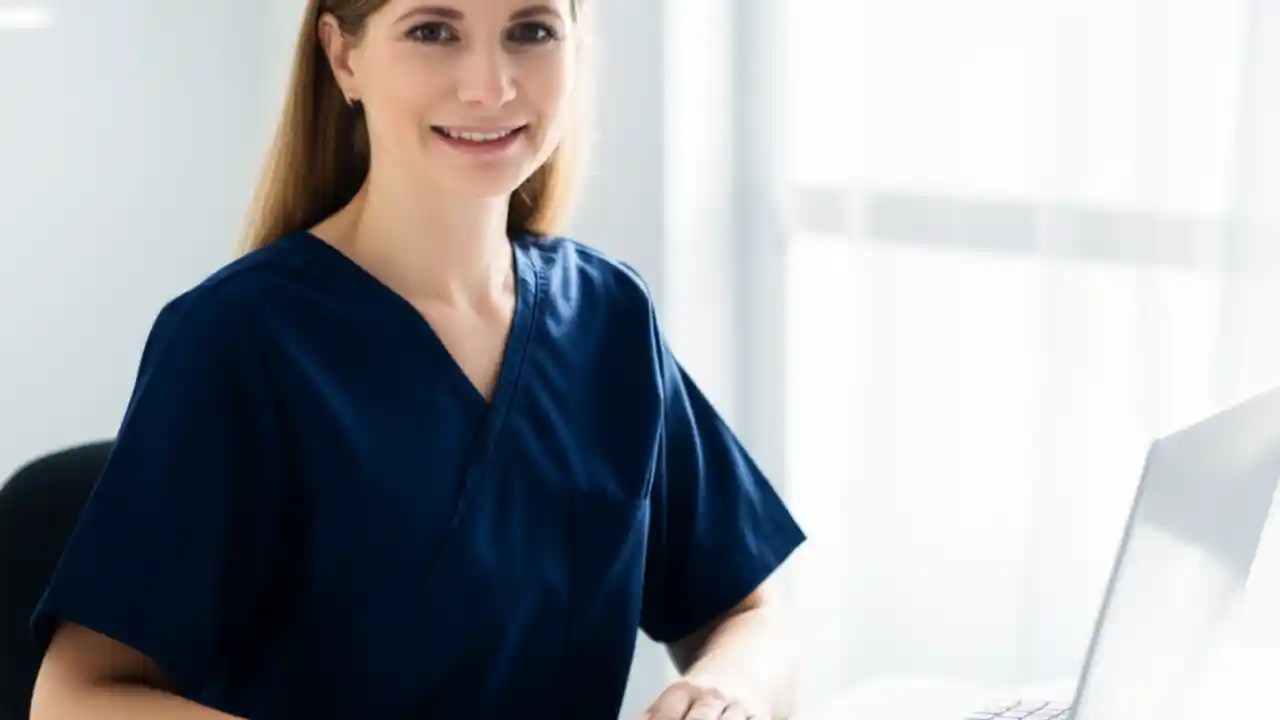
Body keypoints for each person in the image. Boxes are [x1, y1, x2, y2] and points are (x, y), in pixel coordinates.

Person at [27, 1, 807, 718]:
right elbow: (74, 699)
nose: (490, 87)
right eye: (433, 31)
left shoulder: (610, 317)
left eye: (532, 31)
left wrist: (723, 691)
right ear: (344, 57)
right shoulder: (237, 339)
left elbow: (749, 612)